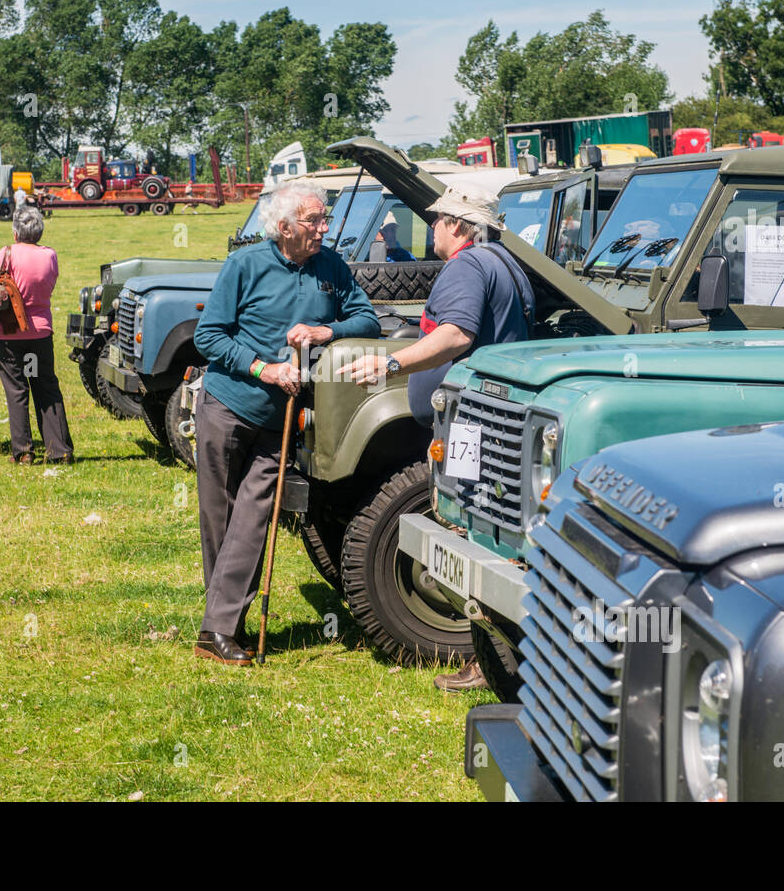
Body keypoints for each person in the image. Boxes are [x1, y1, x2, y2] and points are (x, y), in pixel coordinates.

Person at [336, 182, 534, 691]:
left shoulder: (467, 265)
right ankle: (497, 659)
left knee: (474, 532)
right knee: (489, 530)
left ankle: (489, 661)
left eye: (440, 218)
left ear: (459, 226)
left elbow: (457, 334)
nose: (432, 227)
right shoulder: (505, 262)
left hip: (469, 422)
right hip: (492, 417)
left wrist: (392, 362)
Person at [192, 183, 380, 665]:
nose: (324, 229)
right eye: (315, 221)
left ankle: (217, 629)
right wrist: (264, 369)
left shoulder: (332, 267)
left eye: (325, 220)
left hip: (282, 422)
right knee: (220, 519)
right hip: (228, 406)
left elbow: (367, 319)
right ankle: (221, 625)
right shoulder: (244, 265)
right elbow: (209, 336)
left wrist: (326, 330)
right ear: (284, 228)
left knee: (253, 521)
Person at [0, 203, 74, 465]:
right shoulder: (50, 255)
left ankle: (24, 451)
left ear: (15, 232)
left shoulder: (8, 254)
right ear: (39, 231)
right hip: (39, 334)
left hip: (9, 335)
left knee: (16, 391)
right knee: (45, 389)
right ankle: (59, 451)